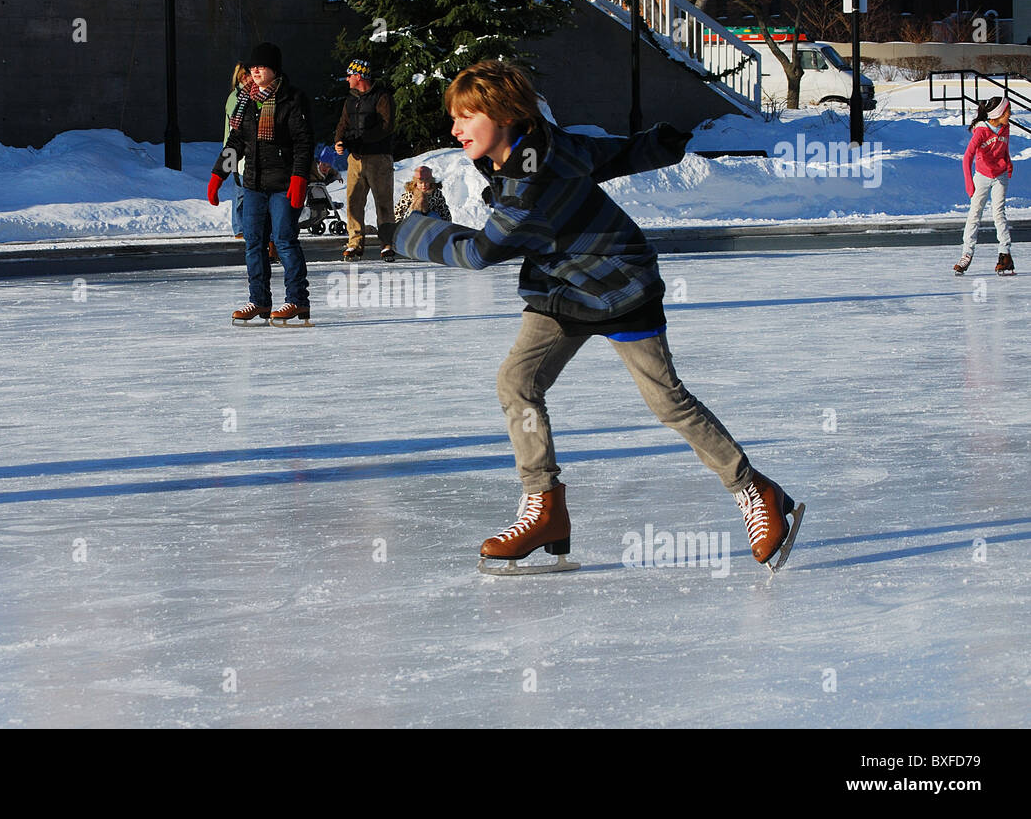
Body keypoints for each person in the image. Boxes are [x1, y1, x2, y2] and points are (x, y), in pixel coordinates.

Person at [394, 60, 802, 574]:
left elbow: (480, 252)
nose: (454, 130)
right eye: (455, 117)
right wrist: (659, 144)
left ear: (504, 115)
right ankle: (545, 507)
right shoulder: (544, 145)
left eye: (467, 116)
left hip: (618, 285)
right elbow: (605, 154)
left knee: (667, 402)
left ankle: (756, 490)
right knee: (517, 382)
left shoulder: (530, 181)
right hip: (562, 287)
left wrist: (411, 230)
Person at [209, 42, 314, 325]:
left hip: (283, 184)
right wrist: (218, 174)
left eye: (261, 66)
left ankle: (297, 300)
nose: (255, 70)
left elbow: (304, 143)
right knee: (254, 243)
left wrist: (299, 178)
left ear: (274, 69)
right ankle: (259, 301)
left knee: (284, 241)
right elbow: (237, 142)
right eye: (253, 66)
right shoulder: (246, 100)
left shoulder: (292, 99)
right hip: (253, 183)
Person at [334, 58, 397, 262]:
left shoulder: (382, 97)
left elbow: (386, 126)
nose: (347, 79)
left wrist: (363, 139)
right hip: (356, 159)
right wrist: (339, 141)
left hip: (379, 158)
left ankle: (387, 243)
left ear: (359, 77)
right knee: (354, 201)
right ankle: (355, 243)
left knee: (383, 202)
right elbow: (343, 123)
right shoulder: (350, 99)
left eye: (349, 75)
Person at [955, 96, 1015, 276]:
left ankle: (1005, 254)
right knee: (974, 214)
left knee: (999, 212)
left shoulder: (1006, 128)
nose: (1010, 114)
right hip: (981, 176)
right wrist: (968, 183)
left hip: (1000, 175)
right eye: (1007, 111)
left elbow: (1004, 149)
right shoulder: (981, 131)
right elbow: (967, 158)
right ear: (998, 113)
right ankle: (967, 254)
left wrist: (1009, 162)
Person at [224, 63, 250, 239]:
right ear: (243, 77)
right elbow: (235, 127)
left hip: (238, 150)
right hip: (236, 150)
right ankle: (239, 226)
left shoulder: (244, 96)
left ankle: (241, 225)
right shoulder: (237, 97)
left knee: (242, 189)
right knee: (240, 189)